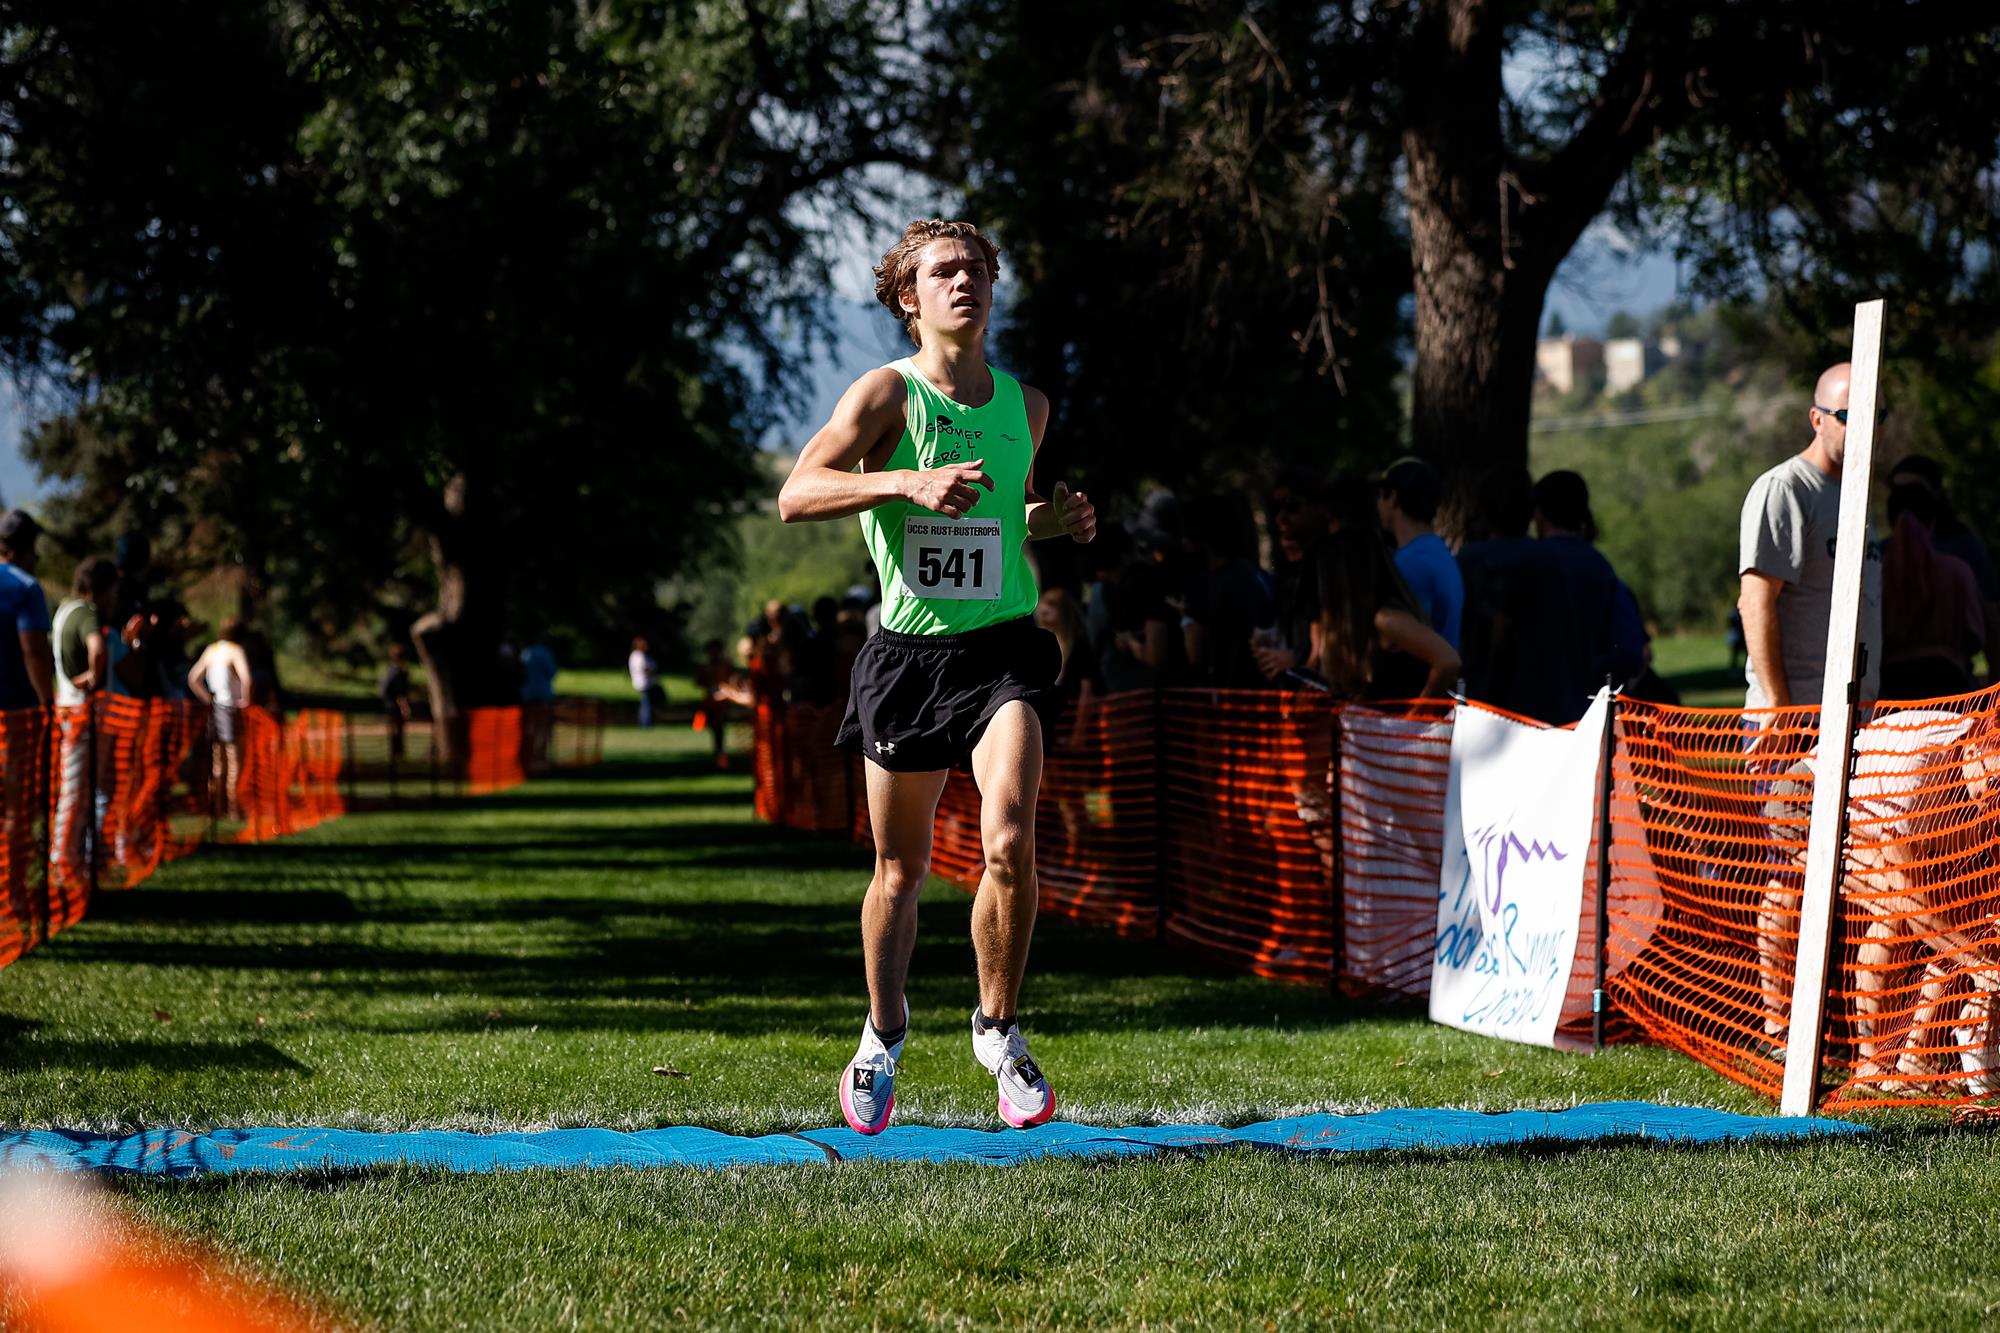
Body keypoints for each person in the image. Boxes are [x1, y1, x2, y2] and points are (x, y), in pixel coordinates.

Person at [776, 217, 1096, 1134]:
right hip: (909, 660)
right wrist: (901, 483)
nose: (967, 281)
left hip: (1002, 649)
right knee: (901, 869)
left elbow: (1003, 519)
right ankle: (882, 1033)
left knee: (1007, 838)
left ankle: (998, 1029)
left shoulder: (1025, 407)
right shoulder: (885, 395)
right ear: (908, 300)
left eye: (980, 269)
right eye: (945, 271)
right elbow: (797, 493)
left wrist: (1053, 518)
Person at [1737, 361, 1885, 725]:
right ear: (1817, 420)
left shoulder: (1856, 496)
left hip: (1850, 720)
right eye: (1850, 415)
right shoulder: (1786, 489)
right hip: (1793, 722)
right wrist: (1777, 703)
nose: (1864, 427)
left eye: (1875, 415)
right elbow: (1754, 602)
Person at [1312, 529, 1461, 702]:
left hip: (1409, 725)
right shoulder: (1353, 625)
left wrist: (1415, 715)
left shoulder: (1386, 619)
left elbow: (1448, 661)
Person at [1891, 454, 1999, 681]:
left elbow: (1989, 624)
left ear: (1935, 496)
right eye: (1897, 492)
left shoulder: (1964, 550)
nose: (1905, 503)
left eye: (1914, 492)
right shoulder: (1878, 556)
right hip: (1888, 694)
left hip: (1952, 689)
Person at [1879, 482, 1984, 700]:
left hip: (1890, 691)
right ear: (1933, 522)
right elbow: (1975, 636)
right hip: (1949, 688)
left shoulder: (1874, 573)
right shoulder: (1957, 571)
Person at [1180, 493, 1276, 689]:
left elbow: (1194, 654)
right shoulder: (1258, 575)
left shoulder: (1203, 585)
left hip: (1226, 694)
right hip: (1264, 687)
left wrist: (1185, 616)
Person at [1376, 457, 1463, 650]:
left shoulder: (1411, 563)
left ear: (1393, 497)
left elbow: (1401, 641)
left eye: (1380, 495)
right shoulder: (1439, 552)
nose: (1377, 504)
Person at [187, 620, 252, 822]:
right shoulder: (235, 651)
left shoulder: (211, 650)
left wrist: (208, 700)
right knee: (234, 761)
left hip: (215, 709)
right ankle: (233, 808)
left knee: (218, 762)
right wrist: (246, 701)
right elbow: (247, 679)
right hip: (231, 709)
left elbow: (193, 678)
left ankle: (215, 807)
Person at [0, 510, 53, 711]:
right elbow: (34, 652)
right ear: (29, 547)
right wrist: (47, 702)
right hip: (17, 714)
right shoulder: (25, 586)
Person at [692, 638, 735, 768]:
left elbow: (734, 680)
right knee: (715, 730)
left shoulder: (726, 665)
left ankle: (720, 757)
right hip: (710, 703)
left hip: (722, 703)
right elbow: (698, 682)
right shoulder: (706, 667)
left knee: (719, 730)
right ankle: (718, 755)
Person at [379, 642, 413, 764]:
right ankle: (399, 756)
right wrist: (405, 708)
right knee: (398, 731)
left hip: (388, 706)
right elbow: (400, 694)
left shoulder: (388, 670)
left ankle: (395, 755)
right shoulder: (399, 673)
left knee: (394, 730)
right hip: (395, 707)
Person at [628, 635, 665, 728]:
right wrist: (652, 670)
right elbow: (643, 668)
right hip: (644, 683)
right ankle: (645, 724)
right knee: (646, 705)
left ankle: (647, 722)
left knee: (648, 704)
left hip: (649, 683)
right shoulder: (637, 655)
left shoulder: (643, 655)